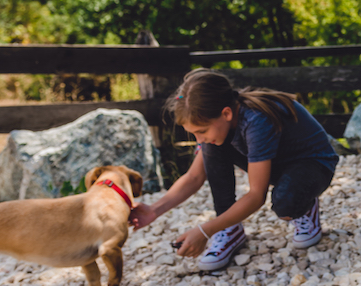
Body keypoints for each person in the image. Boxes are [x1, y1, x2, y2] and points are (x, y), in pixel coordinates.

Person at [129, 70, 338, 271]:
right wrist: (154, 210)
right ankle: (230, 229)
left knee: (285, 203)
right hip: (278, 164)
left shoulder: (256, 120)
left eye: (201, 131)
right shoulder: (221, 124)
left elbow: (256, 196)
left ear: (226, 113)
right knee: (212, 145)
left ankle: (304, 206)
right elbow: (194, 176)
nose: (199, 140)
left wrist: (205, 231)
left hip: (313, 164)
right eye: (194, 134)